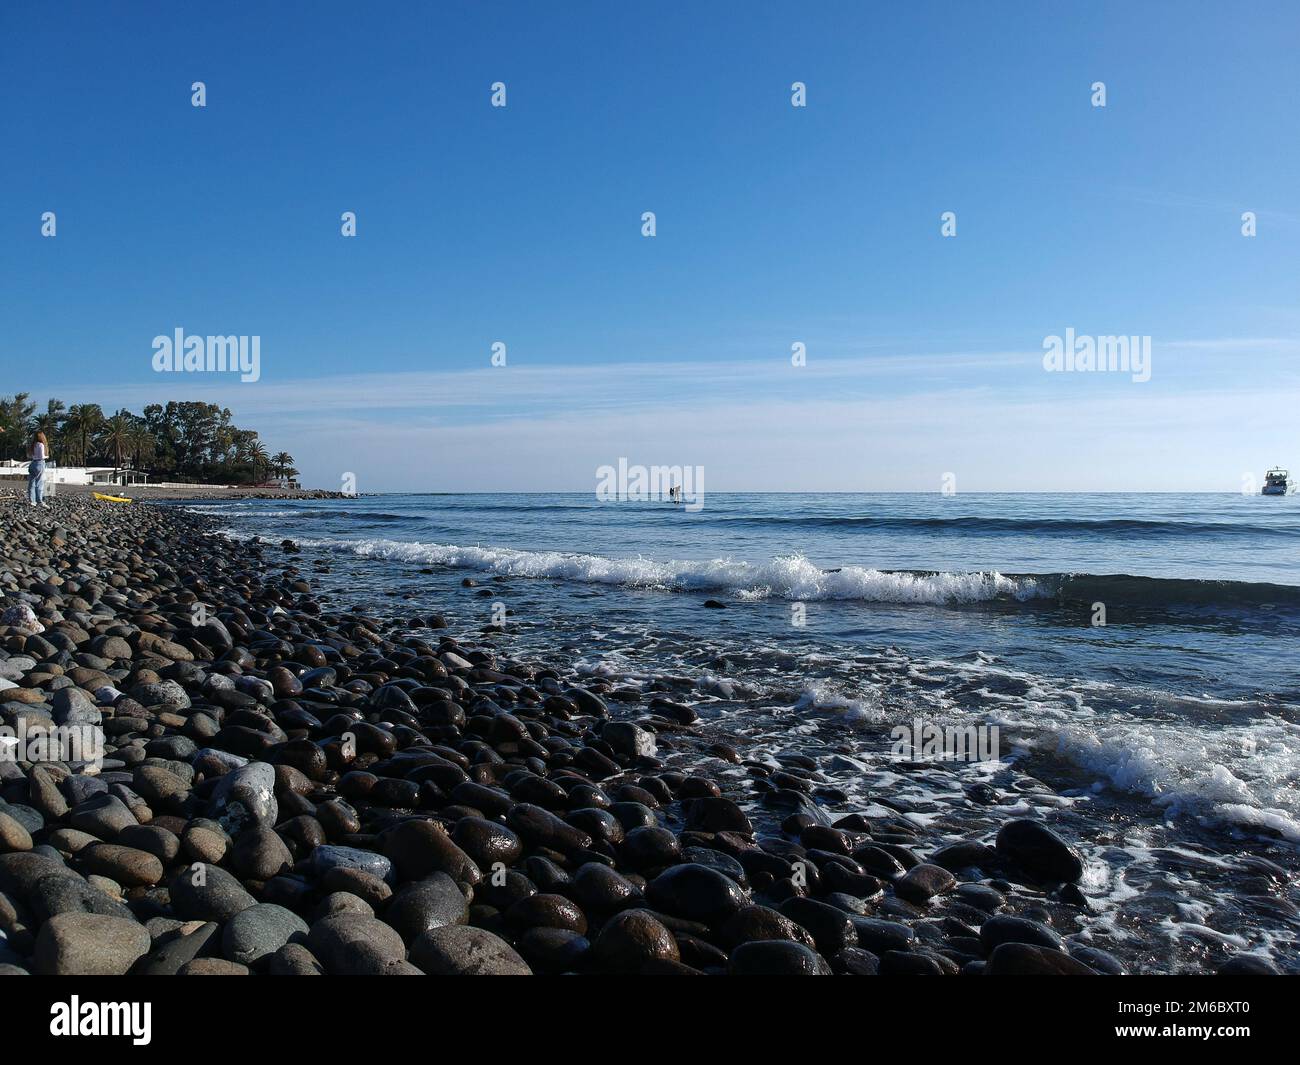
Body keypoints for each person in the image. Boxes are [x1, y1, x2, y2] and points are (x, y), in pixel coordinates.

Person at [28, 431, 50, 507]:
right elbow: (41, 456)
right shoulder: (41, 445)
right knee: (39, 483)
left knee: (32, 483)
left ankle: (32, 501)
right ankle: (39, 501)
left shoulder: (33, 445)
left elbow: (31, 455)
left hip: (32, 463)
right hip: (39, 464)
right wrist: (47, 456)